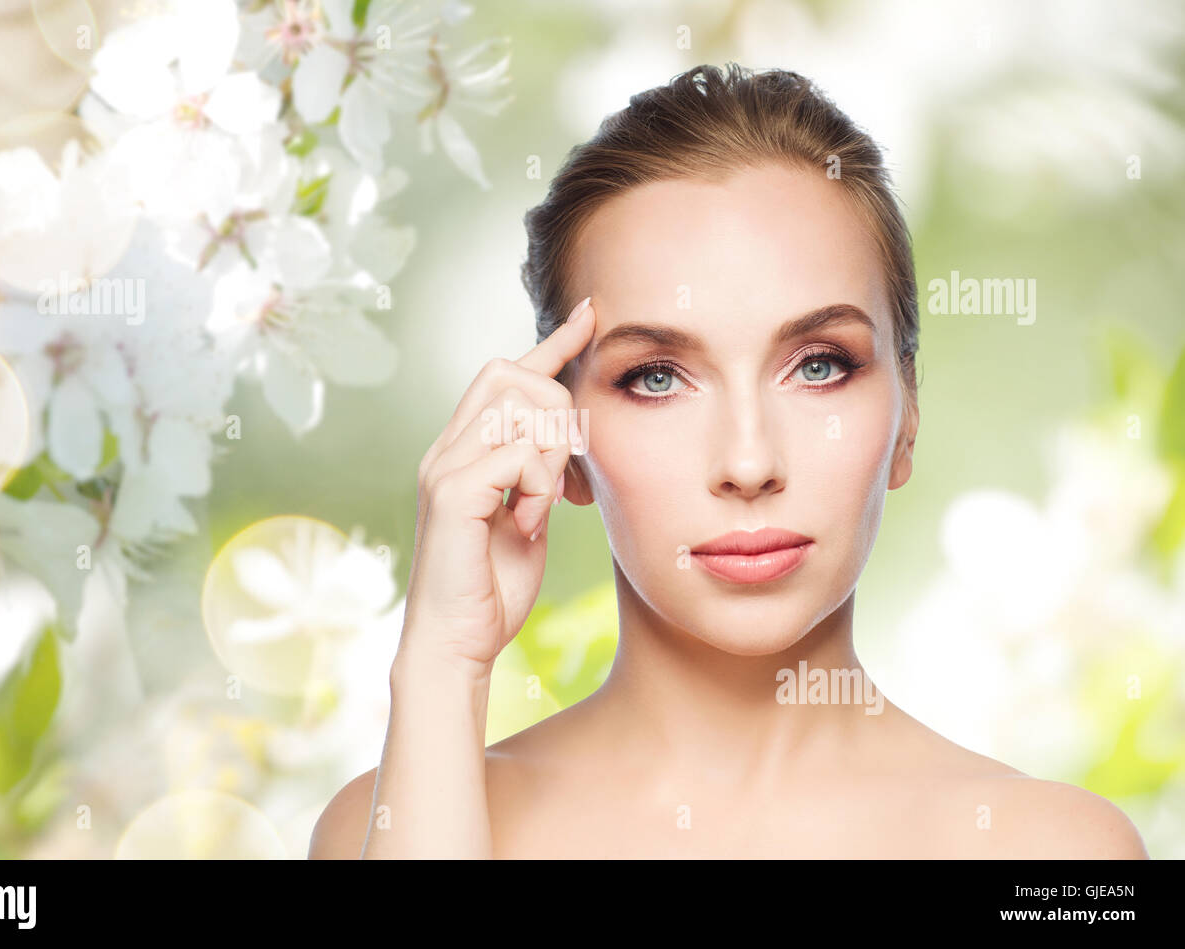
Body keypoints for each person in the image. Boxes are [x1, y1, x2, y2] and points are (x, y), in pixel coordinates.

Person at [309, 63, 1149, 858]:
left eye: (819, 364)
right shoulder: (396, 820)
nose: (748, 463)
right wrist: (443, 664)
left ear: (907, 416)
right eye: (657, 377)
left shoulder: (1056, 854)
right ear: (561, 438)